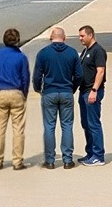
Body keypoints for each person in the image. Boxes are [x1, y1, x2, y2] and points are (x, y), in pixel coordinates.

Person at [33, 26, 82, 169]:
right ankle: (67, 159)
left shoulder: (43, 53)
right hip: (66, 91)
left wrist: (38, 88)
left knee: (49, 126)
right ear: (64, 38)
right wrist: (72, 88)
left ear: (50, 38)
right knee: (67, 125)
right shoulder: (72, 52)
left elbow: (37, 75)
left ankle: (50, 160)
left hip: (49, 92)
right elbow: (79, 75)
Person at [0, 27, 30, 170]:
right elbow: (25, 77)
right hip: (16, 92)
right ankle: (17, 161)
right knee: (18, 129)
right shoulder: (21, 57)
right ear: (17, 40)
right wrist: (24, 93)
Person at [76, 25, 107, 165]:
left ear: (90, 35)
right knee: (86, 124)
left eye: (82, 36)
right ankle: (90, 153)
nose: (80, 38)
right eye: (79, 36)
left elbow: (100, 71)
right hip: (83, 91)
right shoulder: (85, 51)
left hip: (92, 92)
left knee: (93, 124)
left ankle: (98, 156)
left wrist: (94, 90)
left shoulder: (98, 51)